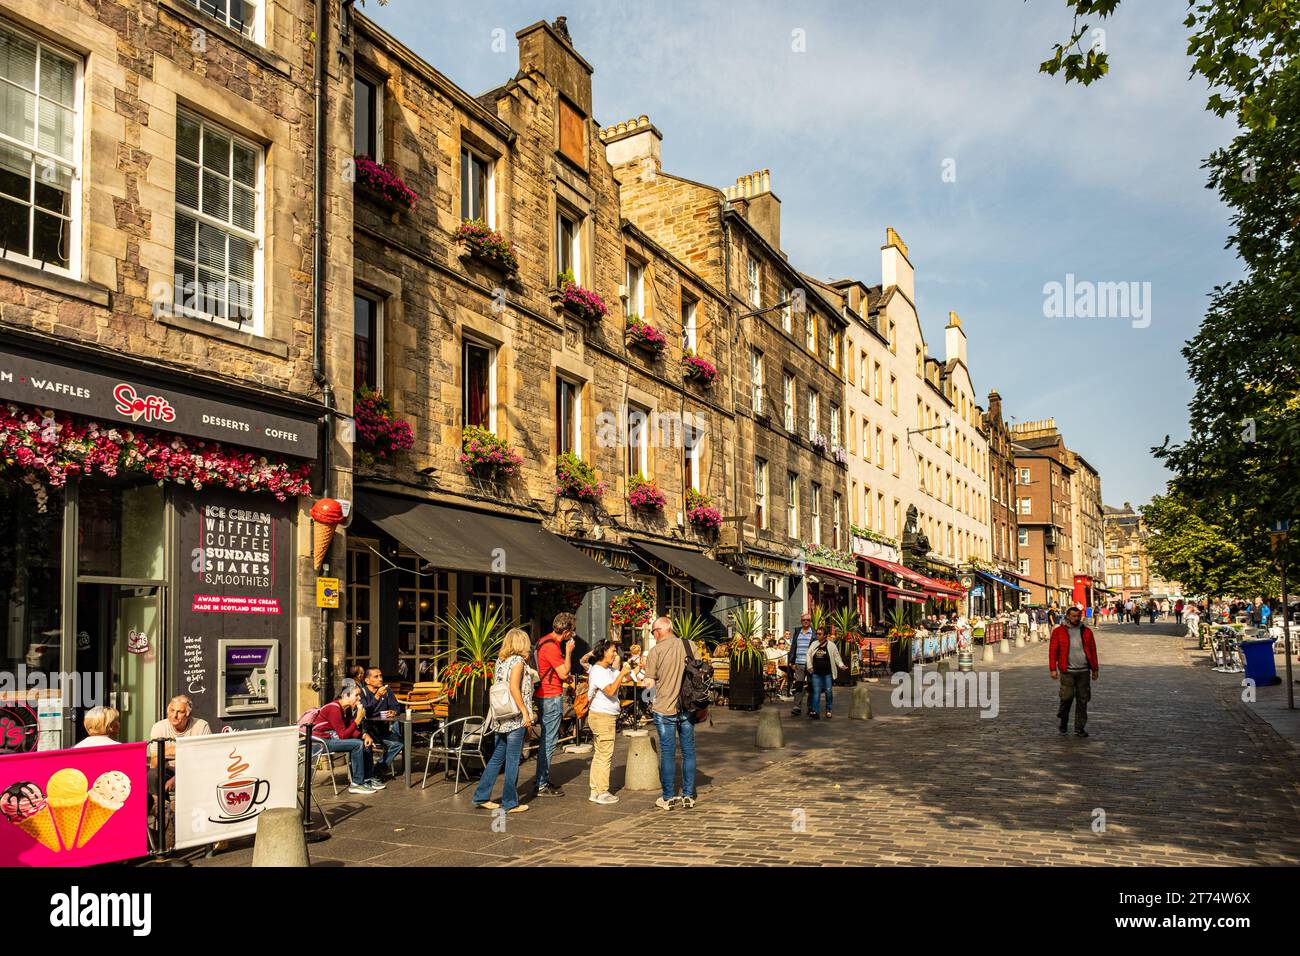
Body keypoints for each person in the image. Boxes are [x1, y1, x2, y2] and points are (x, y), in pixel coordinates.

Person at [473, 628, 534, 814]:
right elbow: (515, 688)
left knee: (497, 757)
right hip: (515, 716)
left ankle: (481, 795)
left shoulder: (501, 661)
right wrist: (525, 713)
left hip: (501, 715)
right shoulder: (518, 662)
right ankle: (510, 802)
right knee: (513, 759)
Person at [643, 616, 697, 810]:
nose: (653, 635)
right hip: (687, 707)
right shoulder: (690, 645)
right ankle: (689, 795)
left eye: (653, 632)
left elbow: (649, 684)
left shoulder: (655, 651)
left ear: (658, 631)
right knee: (688, 751)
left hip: (665, 708)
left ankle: (668, 797)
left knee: (668, 752)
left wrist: (646, 697)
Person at [533, 612, 576, 798]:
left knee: (547, 739)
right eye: (572, 631)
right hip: (550, 695)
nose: (572, 635)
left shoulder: (543, 641)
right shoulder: (552, 647)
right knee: (549, 741)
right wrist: (568, 652)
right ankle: (541, 784)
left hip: (544, 694)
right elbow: (564, 674)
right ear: (565, 632)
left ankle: (542, 779)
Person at [313, 680, 382, 794]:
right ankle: (356, 784)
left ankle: (367, 779)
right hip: (321, 742)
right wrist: (358, 719)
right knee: (357, 744)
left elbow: (349, 729)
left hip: (332, 738)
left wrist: (364, 735)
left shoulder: (347, 708)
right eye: (357, 695)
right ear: (346, 695)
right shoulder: (334, 709)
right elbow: (343, 735)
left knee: (365, 742)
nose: (359, 699)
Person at [585, 638, 631, 805]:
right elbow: (611, 690)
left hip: (607, 715)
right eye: (612, 651)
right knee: (605, 755)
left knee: (600, 754)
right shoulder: (597, 670)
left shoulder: (609, 669)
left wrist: (633, 669)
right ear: (602, 652)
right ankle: (602, 791)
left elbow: (625, 680)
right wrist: (621, 674)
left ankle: (595, 790)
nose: (615, 654)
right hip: (602, 716)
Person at [1049, 605, 1099, 738]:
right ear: (1068, 616)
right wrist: (1053, 669)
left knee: (1083, 700)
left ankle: (1079, 727)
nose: (1076, 618)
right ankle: (1063, 720)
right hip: (1067, 671)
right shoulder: (1058, 632)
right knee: (1066, 697)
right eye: (1073, 616)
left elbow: (1093, 650)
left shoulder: (1087, 631)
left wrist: (1095, 669)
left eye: (1078, 616)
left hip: (1083, 671)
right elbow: (1053, 651)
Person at [148, 694, 213, 792]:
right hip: (168, 770)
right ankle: (159, 805)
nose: (174, 715)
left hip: (194, 770)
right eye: (172, 710)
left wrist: (177, 779)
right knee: (153, 775)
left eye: (180, 712)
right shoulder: (158, 728)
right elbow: (154, 764)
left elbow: (205, 761)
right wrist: (170, 751)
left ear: (188, 715)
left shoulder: (201, 726)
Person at [359, 667, 404, 779]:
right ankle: (372, 773)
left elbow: (396, 706)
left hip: (382, 729)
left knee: (399, 744)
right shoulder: (363, 693)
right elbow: (365, 712)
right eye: (376, 677)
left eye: (381, 676)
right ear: (367, 680)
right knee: (368, 746)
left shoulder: (387, 690)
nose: (380, 679)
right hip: (368, 730)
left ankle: (378, 768)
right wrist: (377, 696)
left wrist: (393, 712)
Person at [806, 626, 846, 719]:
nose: (817, 635)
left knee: (828, 691)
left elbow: (836, 657)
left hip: (827, 673)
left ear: (825, 635)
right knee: (816, 692)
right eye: (817, 633)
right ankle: (815, 711)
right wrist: (810, 666)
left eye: (820, 634)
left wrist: (841, 665)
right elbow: (808, 655)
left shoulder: (831, 645)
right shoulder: (814, 644)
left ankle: (828, 709)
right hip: (816, 673)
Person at [788, 612, 814, 716]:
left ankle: (810, 707)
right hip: (798, 663)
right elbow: (793, 647)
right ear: (801, 621)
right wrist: (792, 661)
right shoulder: (797, 631)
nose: (806, 621)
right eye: (804, 620)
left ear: (810, 621)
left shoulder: (814, 633)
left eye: (808, 620)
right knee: (798, 685)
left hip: (811, 664)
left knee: (811, 686)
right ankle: (797, 707)